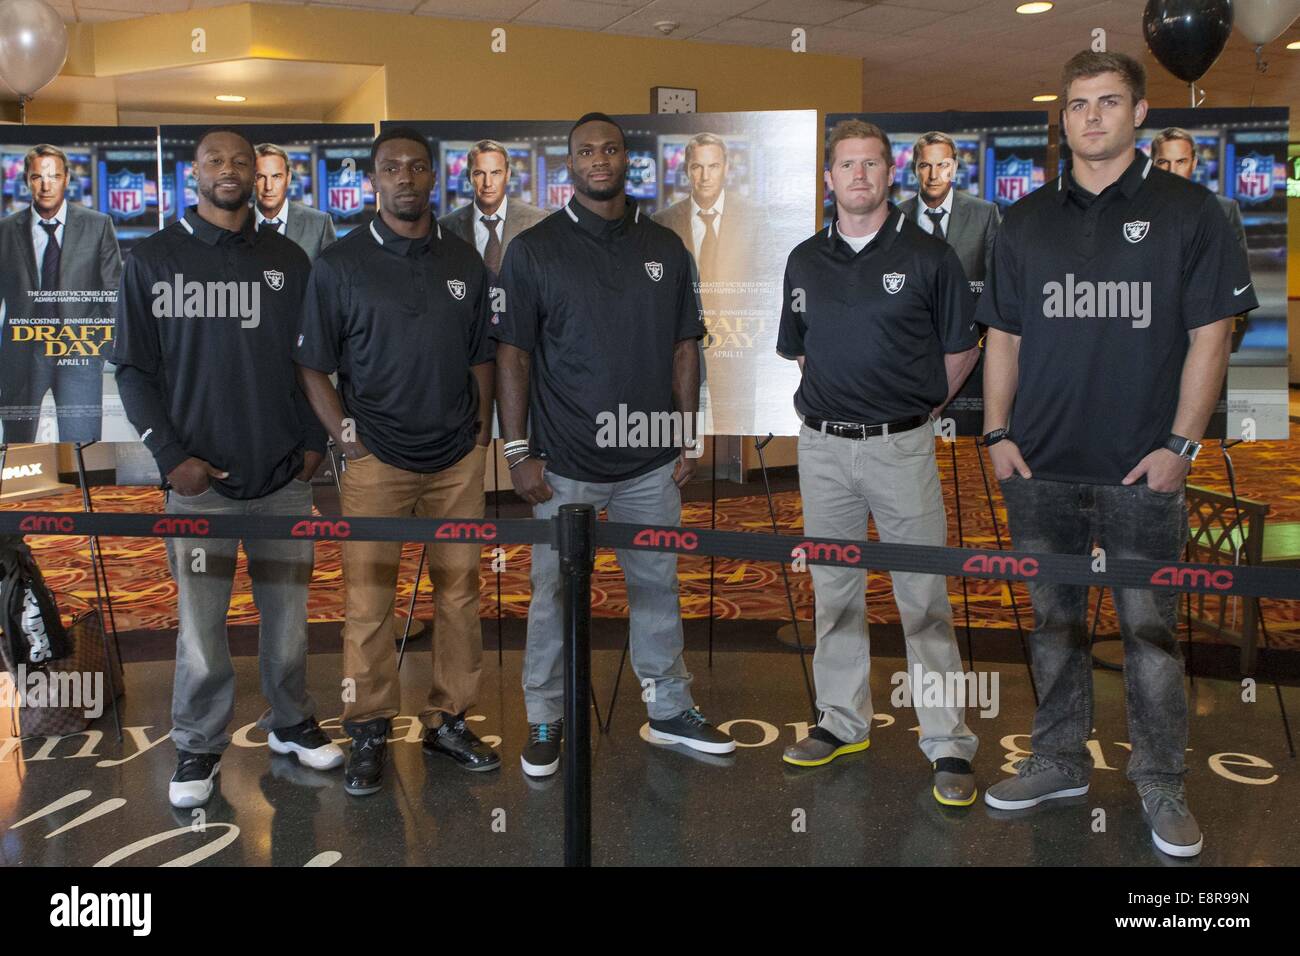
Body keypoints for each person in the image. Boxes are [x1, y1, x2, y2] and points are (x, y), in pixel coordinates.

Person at [977, 51, 1256, 858]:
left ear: (1139, 113)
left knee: (1150, 634)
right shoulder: (1024, 221)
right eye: (1075, 105)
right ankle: (1060, 758)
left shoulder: (1193, 212)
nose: (1090, 117)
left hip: (1145, 469)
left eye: (1108, 102)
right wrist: (996, 432)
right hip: (1040, 467)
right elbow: (1004, 334)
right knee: (1052, 622)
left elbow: (1212, 338)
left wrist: (1180, 445)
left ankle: (1161, 780)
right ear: (1060, 118)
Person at [494, 112, 735, 778]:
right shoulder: (534, 249)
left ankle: (667, 710)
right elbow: (512, 355)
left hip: (650, 463)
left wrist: (688, 432)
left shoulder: (665, 246)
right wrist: (517, 452)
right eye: (585, 151)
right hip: (563, 465)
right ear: (567, 165)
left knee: (657, 587)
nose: (599, 159)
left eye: (610, 148)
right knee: (553, 595)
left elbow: (685, 348)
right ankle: (545, 715)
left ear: (626, 158)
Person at [112, 127, 340, 809]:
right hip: (198, 486)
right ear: (195, 174)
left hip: (283, 483)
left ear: (261, 174)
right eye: (215, 160)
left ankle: (291, 721)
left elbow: (311, 363)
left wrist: (310, 443)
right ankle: (198, 744)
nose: (230, 170)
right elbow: (132, 369)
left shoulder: (289, 258)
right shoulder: (153, 258)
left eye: (242, 159)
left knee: (290, 621)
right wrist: (171, 457)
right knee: (202, 631)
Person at [776, 119, 982, 806]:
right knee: (834, 592)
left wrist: (918, 411)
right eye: (846, 165)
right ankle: (841, 721)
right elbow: (804, 350)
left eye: (871, 164)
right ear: (829, 179)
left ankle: (948, 742)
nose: (858, 175)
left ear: (890, 173)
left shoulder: (930, 256)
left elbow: (962, 349)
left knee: (922, 597)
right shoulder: (804, 260)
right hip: (823, 448)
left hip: (902, 446)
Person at [296, 127, 499, 796]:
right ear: (373, 180)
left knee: (461, 594)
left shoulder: (465, 261)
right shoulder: (340, 263)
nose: (405, 177)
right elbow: (314, 366)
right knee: (367, 601)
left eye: (416, 166)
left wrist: (480, 432)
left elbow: (481, 356)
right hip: (376, 461)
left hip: (456, 463)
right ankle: (369, 725)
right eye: (391, 168)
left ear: (435, 176)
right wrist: (347, 439)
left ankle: (447, 721)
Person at [0, 144, 122, 443]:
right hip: (22, 350)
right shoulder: (5, 230)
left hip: (79, 349)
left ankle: (87, 491)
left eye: (54, 175)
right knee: (17, 446)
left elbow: (113, 292)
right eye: (37, 176)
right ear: (27, 180)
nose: (46, 184)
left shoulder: (97, 225)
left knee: (84, 444)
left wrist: (103, 347)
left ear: (67, 178)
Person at [1149, 127, 1251, 353]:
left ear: (1194, 163)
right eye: (1163, 162)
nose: (1172, 170)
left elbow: (1238, 279)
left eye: (1181, 161)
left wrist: (1228, 340)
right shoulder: (1134, 214)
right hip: (1149, 340)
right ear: (1153, 164)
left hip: (1208, 335)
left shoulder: (1224, 210)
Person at [652, 132, 756, 286]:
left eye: (714, 166)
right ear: (687, 170)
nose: (705, 176)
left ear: (726, 169)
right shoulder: (662, 221)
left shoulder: (754, 217)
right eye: (697, 167)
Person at [897, 131, 1001, 285]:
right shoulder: (895, 217)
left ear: (954, 168)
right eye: (925, 165)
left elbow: (997, 282)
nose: (934, 175)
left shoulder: (985, 214)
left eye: (942, 165)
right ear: (915, 169)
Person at [438, 139, 547, 279]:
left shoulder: (538, 221)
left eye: (495, 173)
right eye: (479, 173)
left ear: (507, 176)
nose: (488, 183)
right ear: (469, 177)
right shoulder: (445, 227)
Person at [254, 143, 337, 261]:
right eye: (261, 177)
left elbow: (331, 277)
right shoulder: (234, 225)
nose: (269, 186)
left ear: (288, 179)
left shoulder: (319, 224)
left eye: (276, 176)